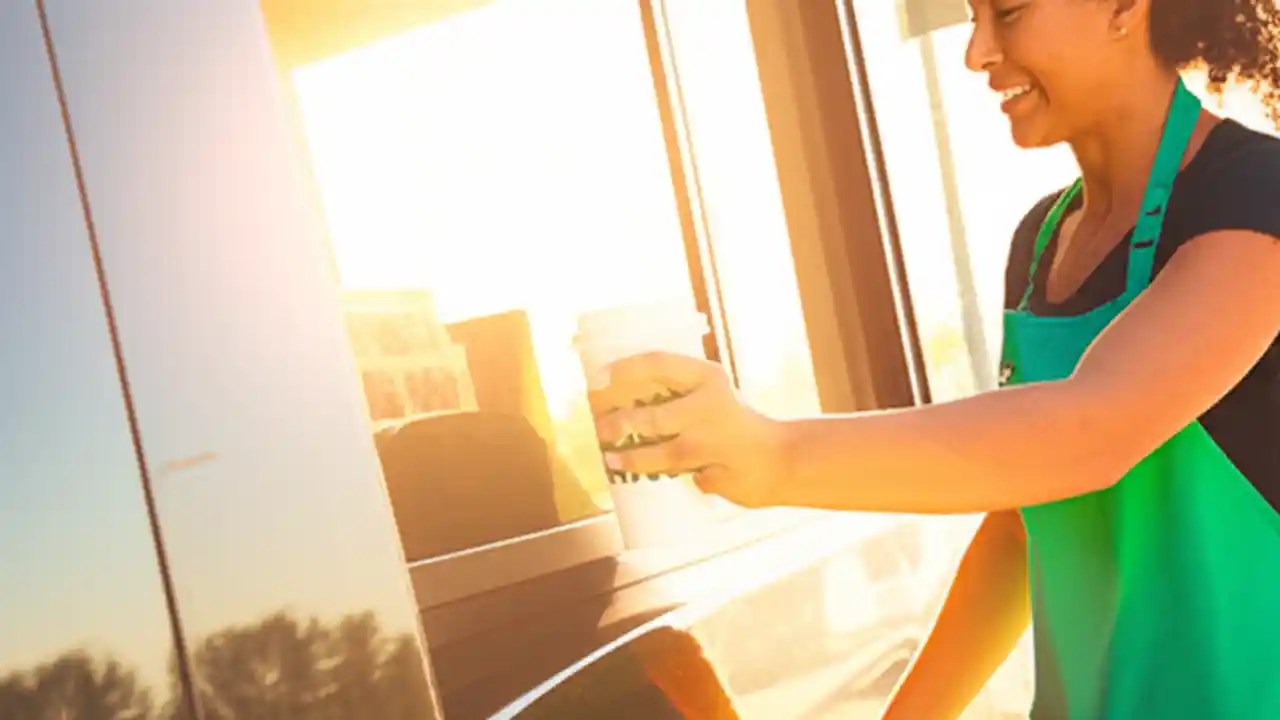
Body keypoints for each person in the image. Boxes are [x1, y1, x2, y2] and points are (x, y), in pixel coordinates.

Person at [588, 0, 1280, 717]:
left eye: (1007, 13)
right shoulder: (1041, 241)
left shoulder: (1256, 197)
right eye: (973, 16)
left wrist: (774, 455)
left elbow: (1089, 431)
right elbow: (1023, 520)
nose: (976, 53)